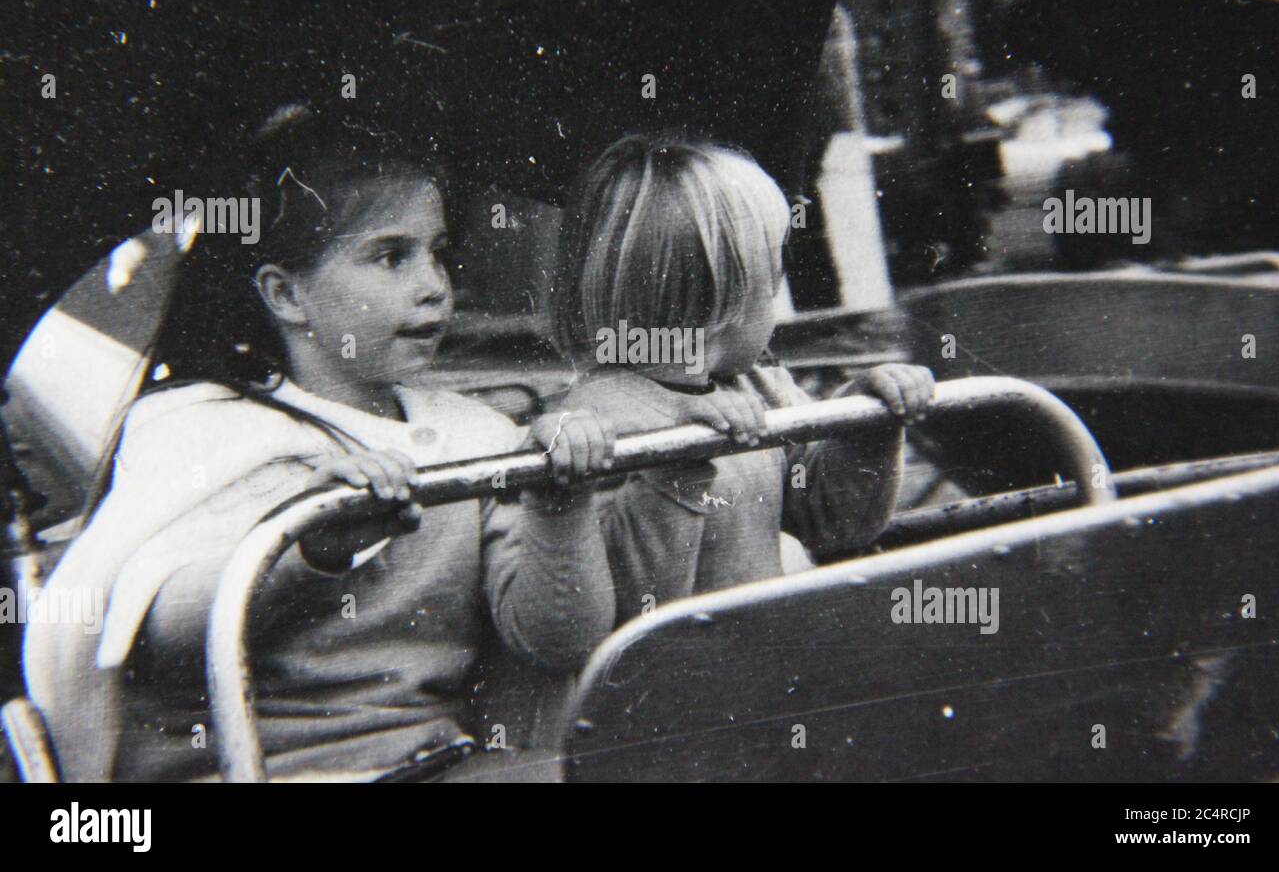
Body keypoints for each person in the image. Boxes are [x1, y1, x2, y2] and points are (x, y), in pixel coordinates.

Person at [23, 105, 618, 782]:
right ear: (287, 295)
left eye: (438, 253)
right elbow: (161, 634)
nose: (434, 287)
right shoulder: (203, 428)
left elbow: (556, 640)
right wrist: (312, 548)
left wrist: (561, 506)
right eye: (392, 257)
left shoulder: (474, 436)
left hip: (427, 762)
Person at [550, 135, 935, 623]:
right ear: (724, 299)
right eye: (771, 281)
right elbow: (623, 602)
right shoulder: (595, 421)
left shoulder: (762, 388)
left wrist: (865, 429)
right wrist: (679, 454)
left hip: (756, 661)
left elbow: (833, 525)